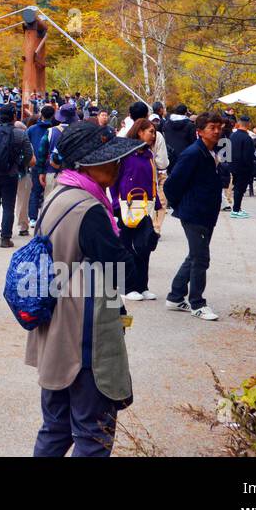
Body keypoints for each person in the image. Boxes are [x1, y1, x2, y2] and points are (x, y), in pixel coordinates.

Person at [27, 121, 139, 456]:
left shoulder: (59, 193)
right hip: (84, 337)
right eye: (110, 159)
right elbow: (125, 275)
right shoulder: (89, 209)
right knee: (94, 434)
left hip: (56, 329)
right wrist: (139, 235)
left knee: (56, 428)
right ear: (88, 164)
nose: (118, 165)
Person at [162, 111, 228, 321]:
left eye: (219, 127)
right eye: (212, 127)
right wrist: (182, 205)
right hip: (194, 214)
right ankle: (197, 303)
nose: (217, 131)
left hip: (206, 213)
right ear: (200, 131)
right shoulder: (193, 153)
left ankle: (175, 296)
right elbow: (172, 184)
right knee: (201, 258)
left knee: (194, 256)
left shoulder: (210, 152)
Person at [109, 118, 161, 301]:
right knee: (126, 247)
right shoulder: (125, 155)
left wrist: (157, 204)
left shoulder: (149, 156)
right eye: (151, 131)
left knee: (144, 245)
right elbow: (114, 179)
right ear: (139, 131)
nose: (153, 136)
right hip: (126, 206)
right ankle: (126, 286)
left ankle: (142, 285)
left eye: (154, 132)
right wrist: (115, 202)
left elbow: (152, 181)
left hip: (145, 205)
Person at [0, 106, 31, 248]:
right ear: (14, 117)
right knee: (8, 205)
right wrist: (19, 165)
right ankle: (5, 238)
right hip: (11, 174)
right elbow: (28, 154)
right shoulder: (20, 134)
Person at [26, 104, 56, 227]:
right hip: (52, 165)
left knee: (35, 191)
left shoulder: (31, 130)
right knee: (51, 192)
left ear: (41, 115)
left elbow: (26, 146)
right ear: (53, 116)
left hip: (36, 164)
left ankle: (32, 218)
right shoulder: (55, 129)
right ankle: (48, 217)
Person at [227, 115, 256, 218]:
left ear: (238, 124)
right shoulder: (247, 138)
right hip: (243, 167)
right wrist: (251, 168)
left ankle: (237, 208)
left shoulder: (232, 136)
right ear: (248, 125)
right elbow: (248, 156)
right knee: (240, 189)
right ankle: (236, 210)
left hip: (233, 165)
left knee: (237, 188)